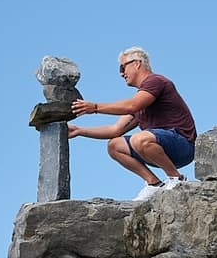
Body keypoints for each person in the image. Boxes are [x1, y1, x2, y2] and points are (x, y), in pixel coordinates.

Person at [68, 47, 198, 199]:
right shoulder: (141, 100)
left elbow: (132, 105)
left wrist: (95, 107)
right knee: (115, 145)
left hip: (182, 146)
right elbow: (114, 130)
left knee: (139, 138)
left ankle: (177, 179)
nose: (121, 74)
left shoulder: (155, 81)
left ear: (137, 63)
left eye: (122, 67)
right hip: (157, 148)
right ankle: (153, 183)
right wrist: (78, 131)